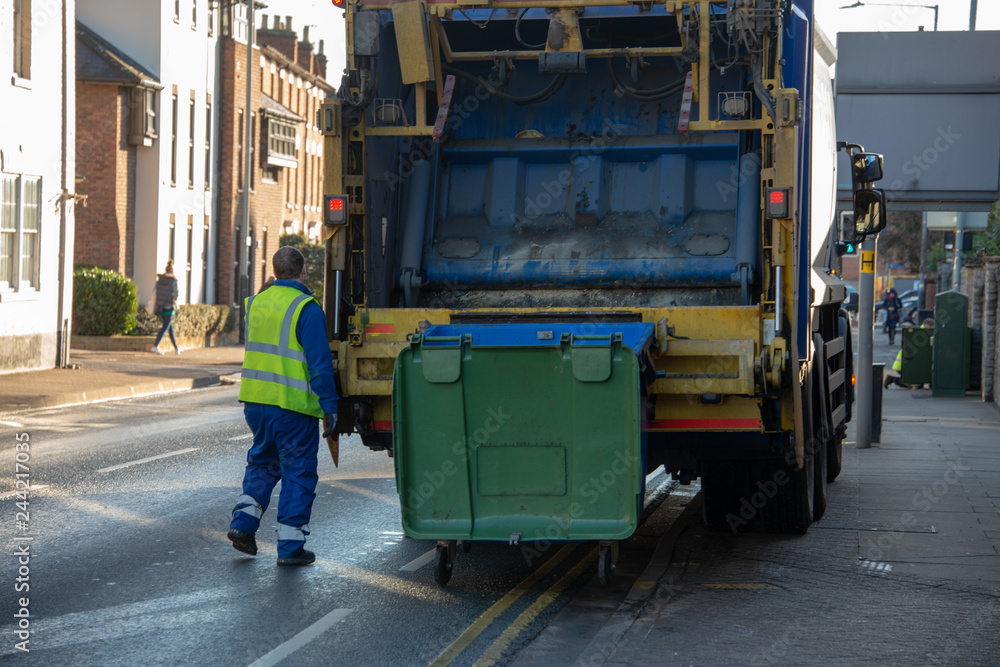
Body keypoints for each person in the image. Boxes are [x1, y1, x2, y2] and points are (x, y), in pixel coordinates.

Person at [227, 246, 339, 567]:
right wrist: (329, 407)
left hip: (256, 403)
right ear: (303, 271)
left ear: (276, 272)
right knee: (298, 471)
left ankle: (243, 525)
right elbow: (319, 364)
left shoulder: (256, 304)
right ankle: (290, 548)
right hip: (291, 407)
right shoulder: (307, 309)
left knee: (263, 463)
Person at [152, 260, 181, 355]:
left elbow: (155, 292)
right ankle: (155, 346)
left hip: (160, 307)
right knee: (165, 327)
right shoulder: (173, 281)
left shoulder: (160, 280)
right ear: (172, 271)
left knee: (170, 328)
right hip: (169, 307)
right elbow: (176, 295)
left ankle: (176, 348)